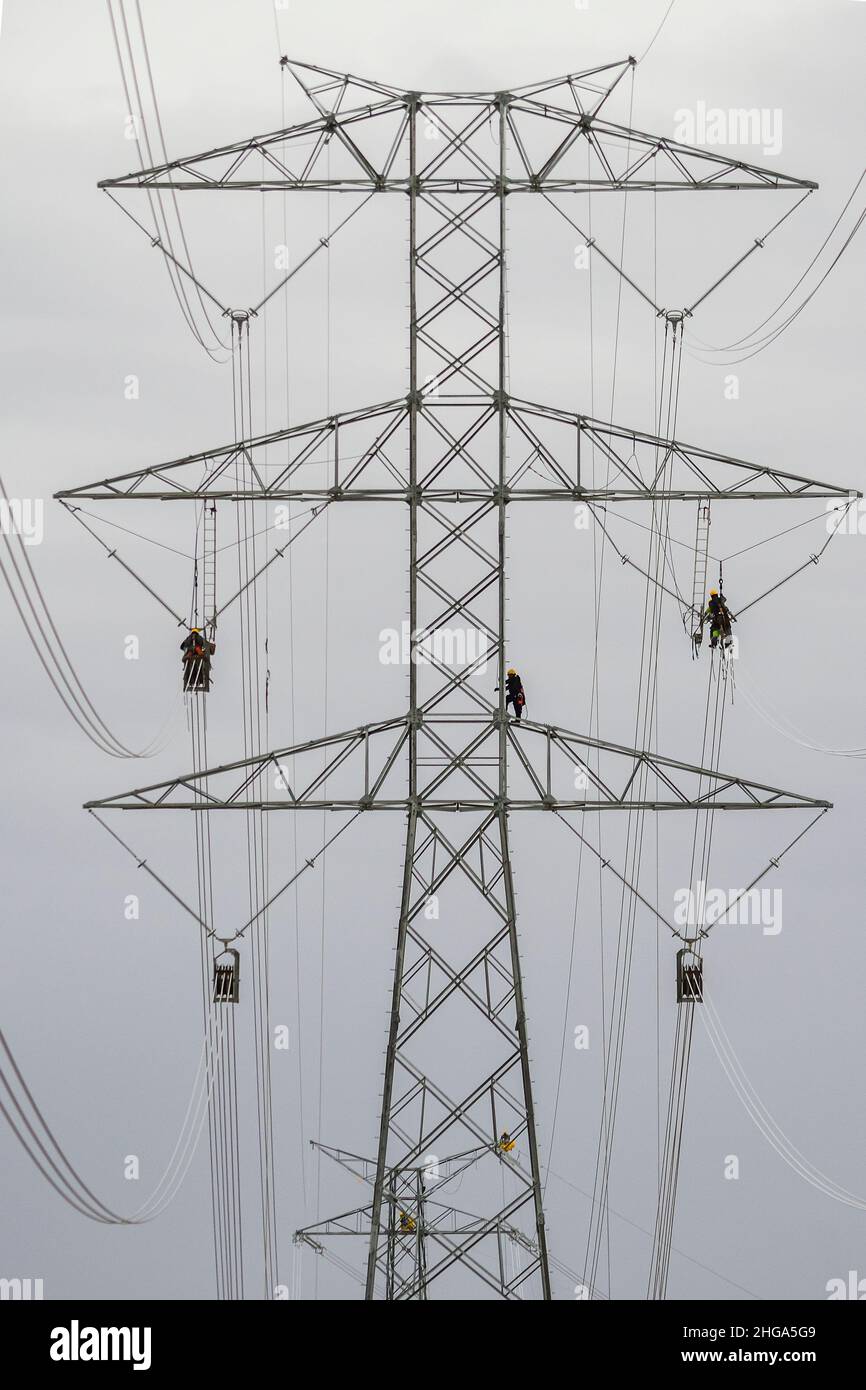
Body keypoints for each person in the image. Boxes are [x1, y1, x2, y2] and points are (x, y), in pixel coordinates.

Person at [181, 627, 216, 692]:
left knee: (189, 656)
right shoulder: (199, 638)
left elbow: (182, 646)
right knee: (199, 653)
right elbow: (205, 645)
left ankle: (192, 655)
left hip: (191, 652)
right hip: (197, 651)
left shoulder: (188, 638)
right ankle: (199, 654)